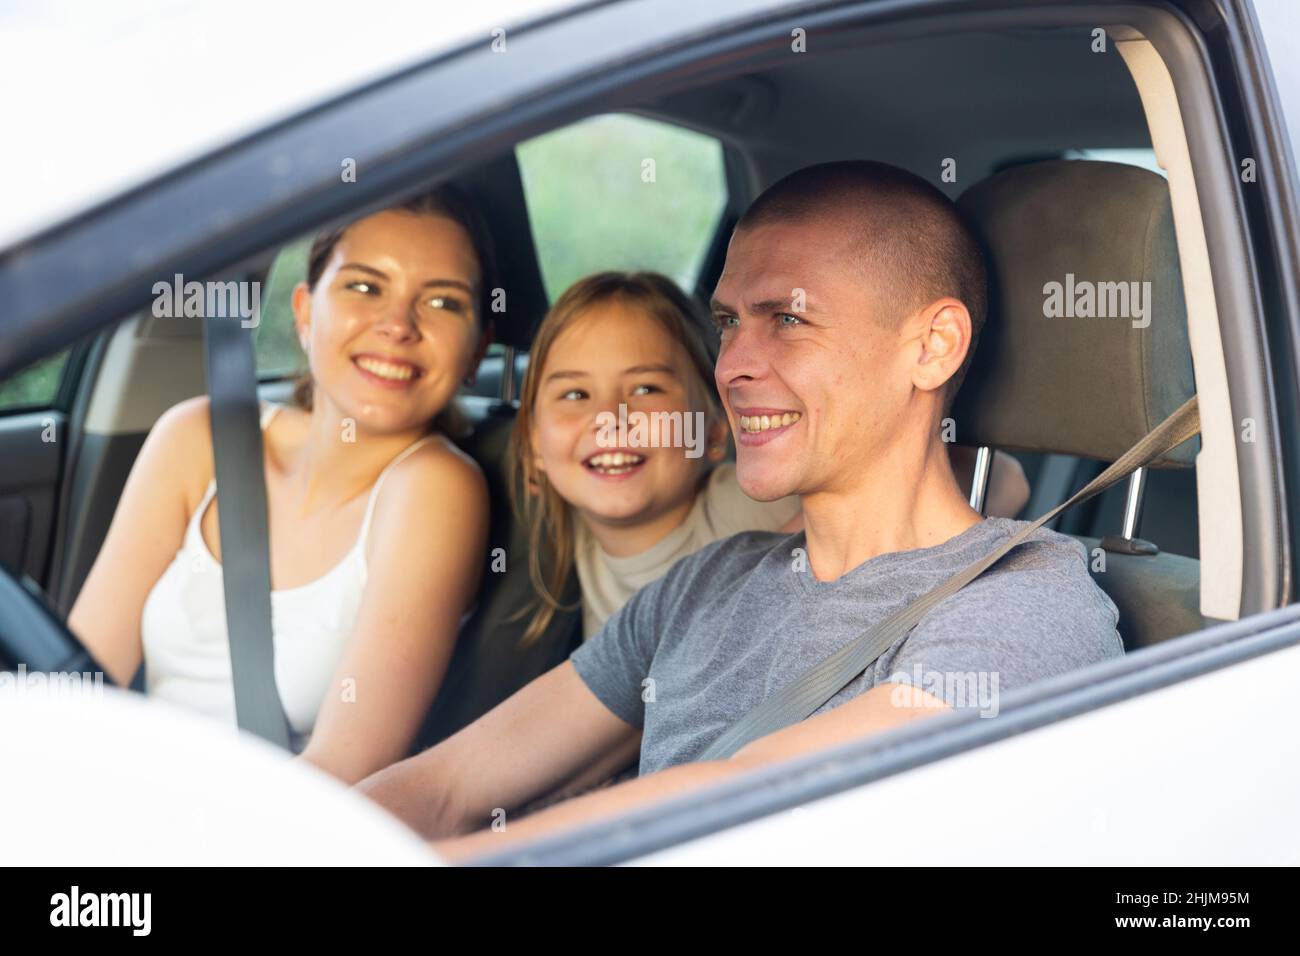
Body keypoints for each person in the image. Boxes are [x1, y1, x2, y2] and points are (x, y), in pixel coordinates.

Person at [357, 161, 1122, 860]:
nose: (732, 367)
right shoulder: (706, 586)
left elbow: (744, 804)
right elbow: (446, 785)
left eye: (787, 320)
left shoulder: (1029, 606)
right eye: (727, 323)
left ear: (932, 346)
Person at [68, 187, 493, 784]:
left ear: (478, 347)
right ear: (303, 312)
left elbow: (341, 775)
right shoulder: (196, 437)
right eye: (365, 287)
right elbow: (82, 686)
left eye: (443, 303)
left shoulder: (434, 490)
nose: (398, 325)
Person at [512, 270, 1030, 644]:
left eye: (646, 389)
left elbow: (1002, 478)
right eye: (575, 396)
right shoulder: (563, 528)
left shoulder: (746, 505)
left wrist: (785, 559)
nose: (610, 418)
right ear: (534, 445)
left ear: (718, 430)